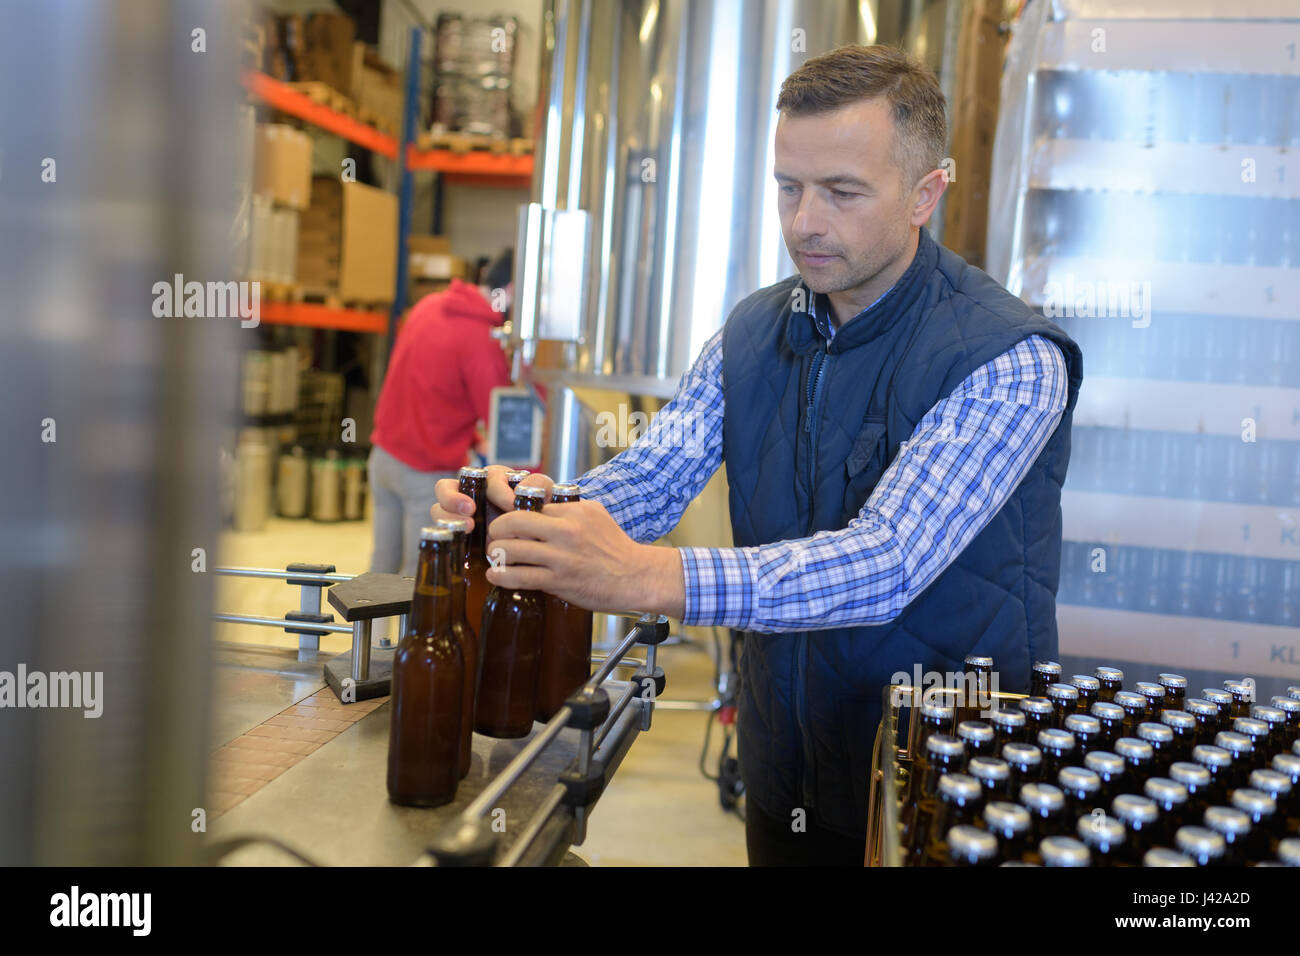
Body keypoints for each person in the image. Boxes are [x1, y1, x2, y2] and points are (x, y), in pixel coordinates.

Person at [430, 46, 1084, 866]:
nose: (805, 221)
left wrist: (648, 577)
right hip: (787, 771)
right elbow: (650, 478)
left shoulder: (1008, 356)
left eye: (842, 192)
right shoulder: (752, 332)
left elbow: (888, 561)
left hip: (944, 787)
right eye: (788, 187)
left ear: (925, 193)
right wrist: (532, 510)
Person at [368, 250, 513, 580]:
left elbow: (425, 386)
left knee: (379, 576)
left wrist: (472, 438)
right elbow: (503, 423)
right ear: (512, 289)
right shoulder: (482, 339)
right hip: (425, 475)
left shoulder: (429, 305)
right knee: (418, 580)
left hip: (383, 459)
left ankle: (367, 619)